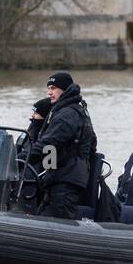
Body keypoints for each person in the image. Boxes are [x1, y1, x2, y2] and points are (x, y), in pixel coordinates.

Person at [31, 71, 96, 219]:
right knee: (43, 217)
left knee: (60, 220)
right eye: (48, 88)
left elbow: (50, 141)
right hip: (59, 176)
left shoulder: (67, 113)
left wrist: (26, 159)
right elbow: (55, 148)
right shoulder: (69, 110)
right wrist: (49, 169)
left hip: (66, 179)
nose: (49, 92)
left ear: (64, 89)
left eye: (53, 88)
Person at [16, 98, 52, 214]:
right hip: (20, 181)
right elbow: (15, 152)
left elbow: (50, 167)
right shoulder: (26, 135)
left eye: (36, 113)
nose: (32, 116)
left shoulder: (50, 140)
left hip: (36, 186)